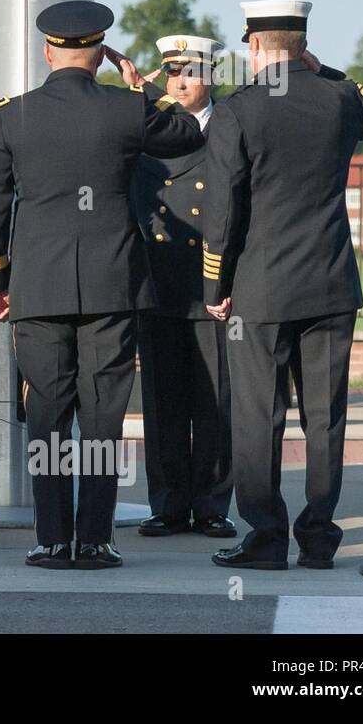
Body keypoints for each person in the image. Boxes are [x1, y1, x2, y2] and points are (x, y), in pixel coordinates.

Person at [0, 0, 205, 570]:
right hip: (112, 283)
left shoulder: (11, 115)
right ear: (101, 53)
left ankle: (52, 538)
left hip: (38, 283)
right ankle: (96, 539)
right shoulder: (126, 110)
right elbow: (183, 133)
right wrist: (142, 91)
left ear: (47, 51)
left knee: (49, 412)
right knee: (103, 415)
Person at [204, 0, 363, 570]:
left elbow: (224, 209)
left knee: (259, 416)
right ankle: (318, 539)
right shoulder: (339, 100)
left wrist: (215, 287)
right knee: (325, 415)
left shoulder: (239, 110)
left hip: (260, 289)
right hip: (332, 285)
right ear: (302, 44)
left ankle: (265, 539)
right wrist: (329, 71)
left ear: (256, 46)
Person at [131, 35, 236, 540]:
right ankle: (169, 504)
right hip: (160, 279)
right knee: (163, 400)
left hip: (215, 283)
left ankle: (213, 506)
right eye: (172, 74)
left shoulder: (232, 124)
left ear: (212, 75)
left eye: (191, 72)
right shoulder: (147, 128)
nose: (181, 82)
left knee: (216, 402)